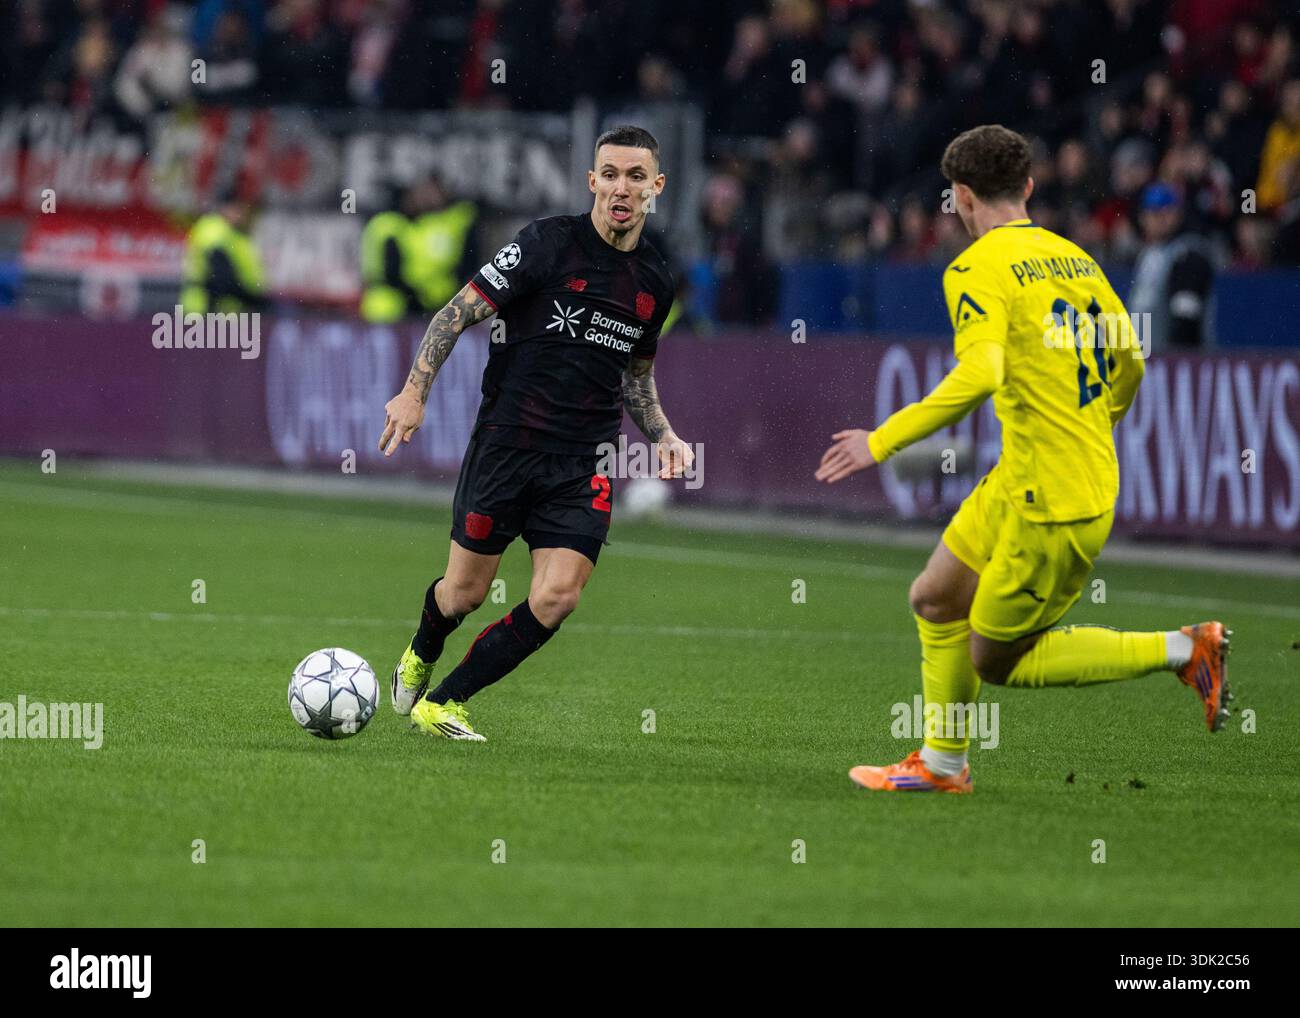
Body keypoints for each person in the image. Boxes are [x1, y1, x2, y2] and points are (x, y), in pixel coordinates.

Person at [815, 125, 1230, 794]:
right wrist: (1085, 426)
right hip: (1031, 474)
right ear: (1030, 188)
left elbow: (980, 374)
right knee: (936, 597)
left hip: (1055, 499)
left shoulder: (976, 267)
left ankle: (1184, 649)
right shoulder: (1075, 258)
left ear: (961, 197)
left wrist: (881, 440)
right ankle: (942, 764)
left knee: (998, 659)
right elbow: (1128, 363)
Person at [377, 125, 692, 741]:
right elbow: (457, 311)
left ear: (656, 187)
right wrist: (415, 391)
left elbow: (635, 376)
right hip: (507, 445)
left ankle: (443, 703)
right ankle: (421, 649)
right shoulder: (547, 243)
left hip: (583, 461)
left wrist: (666, 436)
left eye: (635, 177)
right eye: (609, 174)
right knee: (464, 594)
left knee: (557, 598)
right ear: (591, 181)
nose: (620, 189)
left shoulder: (655, 281)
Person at [1127, 182, 1216, 351]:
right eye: (1152, 212)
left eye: (1165, 212)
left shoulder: (1188, 255)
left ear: (1178, 214)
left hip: (1173, 365)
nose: (1159, 219)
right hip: (1146, 363)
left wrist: (1175, 363)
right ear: (1142, 217)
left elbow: (1186, 323)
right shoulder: (1147, 255)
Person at [179, 193, 265, 315]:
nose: (242, 214)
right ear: (225, 208)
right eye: (237, 209)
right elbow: (220, 275)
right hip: (204, 308)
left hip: (225, 310)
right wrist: (249, 298)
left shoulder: (232, 233)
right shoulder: (213, 229)